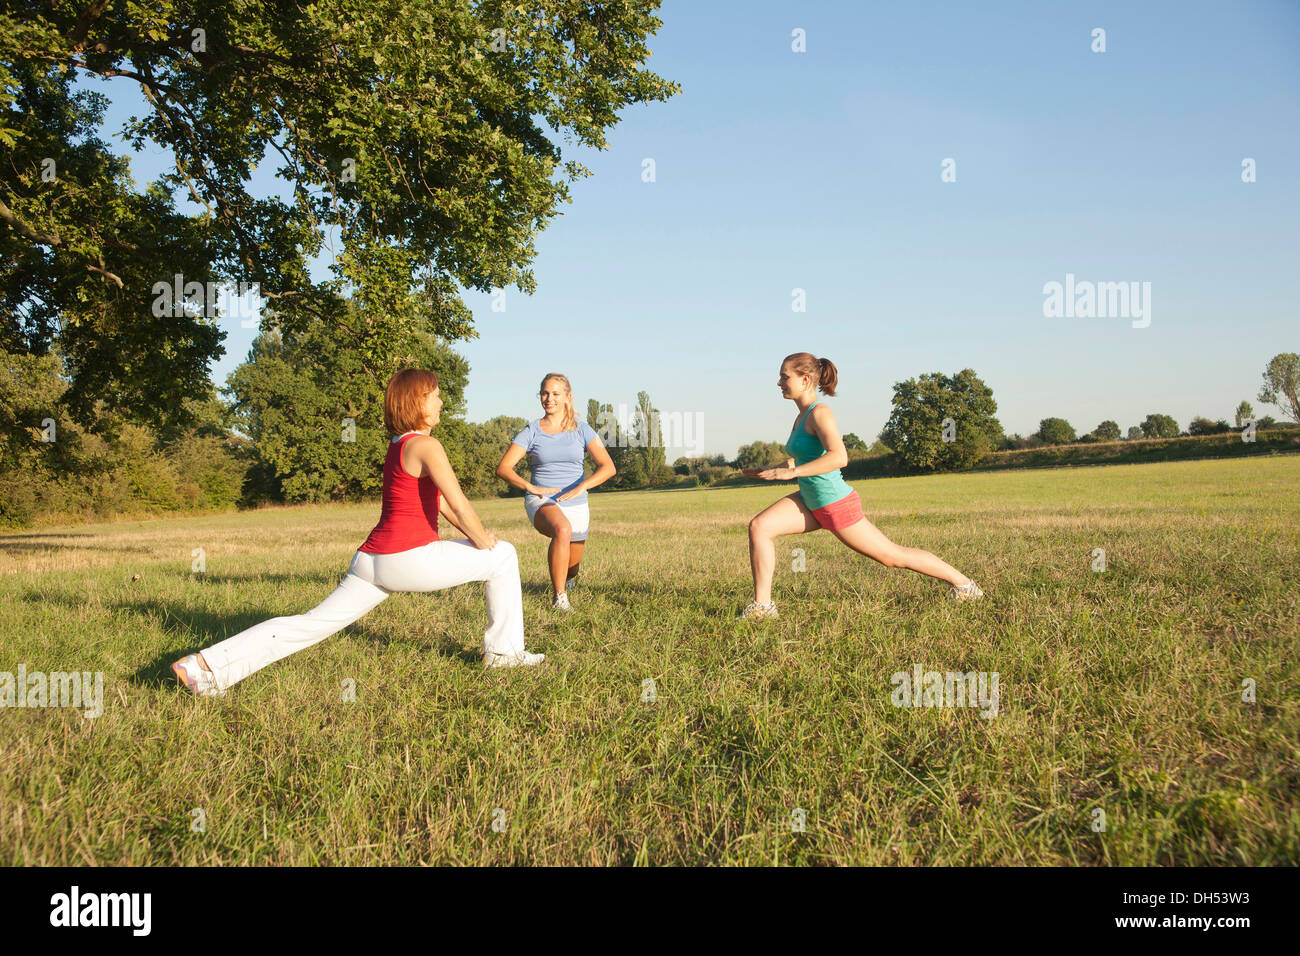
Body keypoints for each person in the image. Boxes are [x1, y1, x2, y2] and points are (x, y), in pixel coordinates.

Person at [171, 368, 544, 697]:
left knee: (309, 624)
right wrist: (482, 540)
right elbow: (458, 501)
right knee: (504, 555)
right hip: (407, 558)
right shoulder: (427, 444)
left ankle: (204, 668)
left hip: (371, 561)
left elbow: (441, 506)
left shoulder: (399, 445)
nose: (442, 402)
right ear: (419, 402)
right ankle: (504, 655)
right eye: (435, 395)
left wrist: (475, 536)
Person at [740, 352, 983, 619]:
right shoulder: (801, 416)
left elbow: (839, 457)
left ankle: (964, 585)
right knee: (760, 527)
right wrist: (773, 469)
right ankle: (762, 607)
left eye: (785, 377)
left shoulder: (820, 414)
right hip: (810, 499)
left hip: (833, 503)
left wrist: (793, 473)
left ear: (805, 379)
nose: (779, 382)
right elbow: (804, 456)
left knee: (892, 556)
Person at [495, 373, 616, 612]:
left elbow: (608, 467)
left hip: (577, 500)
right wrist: (529, 487)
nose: (549, 398)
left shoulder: (582, 429)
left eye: (555, 394)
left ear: (568, 397)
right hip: (542, 500)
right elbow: (504, 468)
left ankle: (567, 580)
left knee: (573, 567)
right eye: (545, 393)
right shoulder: (531, 431)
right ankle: (559, 598)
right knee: (562, 529)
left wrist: (583, 486)